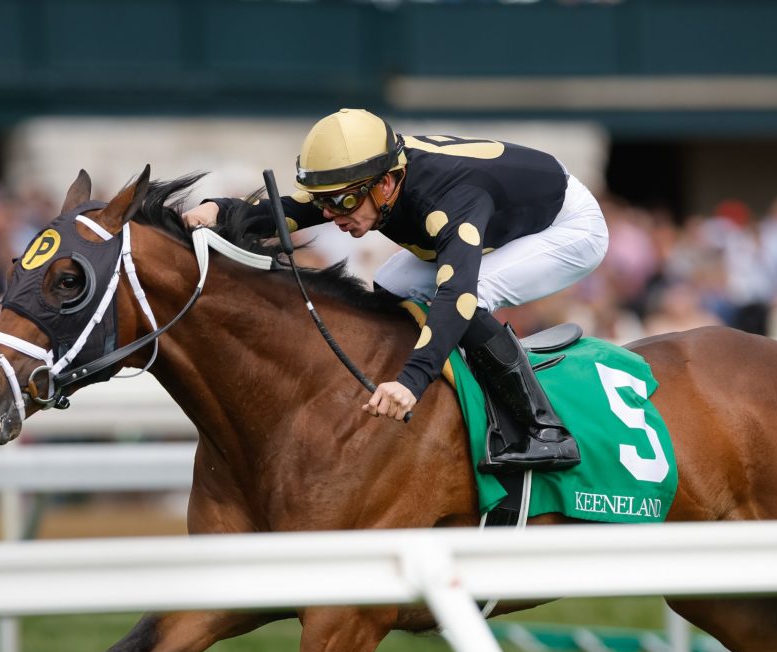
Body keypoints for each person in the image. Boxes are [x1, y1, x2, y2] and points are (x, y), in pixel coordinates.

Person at [184, 109, 608, 474]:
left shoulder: (450, 200)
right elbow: (291, 212)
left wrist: (412, 381)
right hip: (504, 212)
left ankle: (544, 428)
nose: (331, 215)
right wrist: (218, 210)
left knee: (474, 296)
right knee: (390, 286)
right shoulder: (366, 180)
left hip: (567, 227)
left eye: (342, 202)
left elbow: (456, 295)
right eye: (325, 200)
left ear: (387, 184)